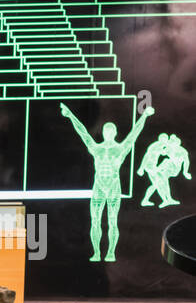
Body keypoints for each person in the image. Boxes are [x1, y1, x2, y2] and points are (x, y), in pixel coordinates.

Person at [61, 102, 153, 261]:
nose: (108, 132)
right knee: (95, 221)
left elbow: (134, 133)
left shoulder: (121, 148)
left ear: (115, 132)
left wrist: (144, 116)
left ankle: (111, 253)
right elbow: (83, 132)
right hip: (98, 186)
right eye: (106, 130)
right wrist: (70, 116)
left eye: (111, 130)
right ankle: (96, 253)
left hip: (113, 186)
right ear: (103, 132)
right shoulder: (97, 148)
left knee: (112, 221)